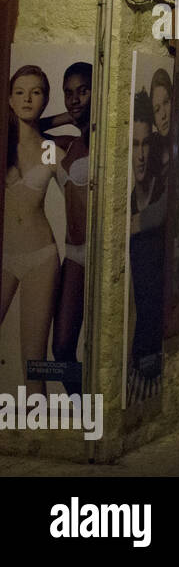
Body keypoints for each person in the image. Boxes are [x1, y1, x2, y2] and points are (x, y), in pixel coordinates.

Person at [1, 66, 66, 394]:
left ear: (45, 99)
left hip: (42, 257)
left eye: (36, 92)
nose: (27, 98)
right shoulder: (3, 144)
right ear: (9, 100)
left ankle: (36, 434)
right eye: (20, 92)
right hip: (5, 255)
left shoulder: (52, 151)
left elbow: (80, 193)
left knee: (33, 361)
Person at [47, 63, 92, 394]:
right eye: (68, 92)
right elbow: (25, 128)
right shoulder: (64, 145)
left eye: (83, 90)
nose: (74, 98)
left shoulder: (107, 140)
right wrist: (70, 115)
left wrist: (86, 115)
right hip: (75, 255)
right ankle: (84, 409)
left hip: (104, 253)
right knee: (62, 348)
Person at [128, 90, 166, 404]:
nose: (140, 155)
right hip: (134, 348)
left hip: (151, 351)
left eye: (145, 145)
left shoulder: (162, 191)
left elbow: (156, 217)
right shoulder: (126, 199)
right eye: (133, 146)